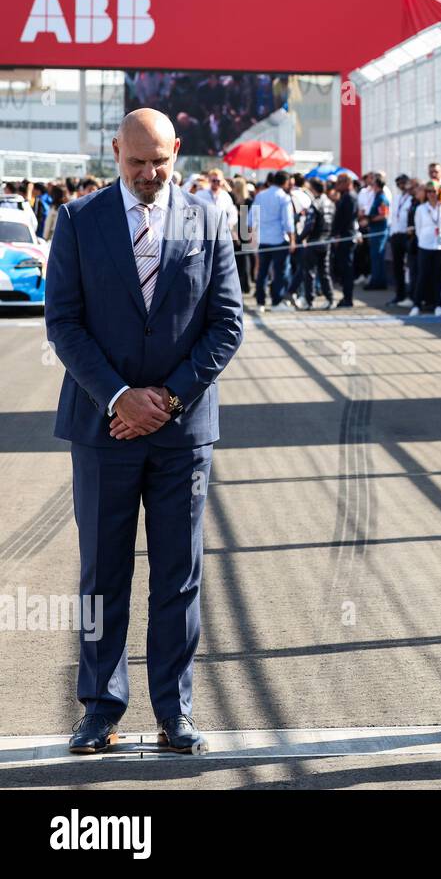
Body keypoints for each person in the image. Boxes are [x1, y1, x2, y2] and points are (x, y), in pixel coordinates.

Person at [44, 107, 243, 756]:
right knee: (102, 574)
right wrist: (122, 398)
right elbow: (64, 323)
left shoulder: (209, 218)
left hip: (182, 434)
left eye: (160, 161)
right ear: (115, 153)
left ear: (177, 150)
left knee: (178, 575)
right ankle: (100, 708)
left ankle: (174, 710)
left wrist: (170, 398)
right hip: (104, 428)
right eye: (136, 163)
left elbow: (227, 322)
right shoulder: (77, 220)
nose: (150, 174)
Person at [250, 169, 297, 312]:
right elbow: (288, 221)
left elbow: (251, 218)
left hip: (263, 239)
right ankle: (276, 302)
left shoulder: (261, 195)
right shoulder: (284, 197)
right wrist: (293, 240)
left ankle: (260, 302)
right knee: (280, 273)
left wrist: (251, 237)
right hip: (278, 240)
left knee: (262, 272)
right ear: (285, 182)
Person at [287, 177, 335, 309]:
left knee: (310, 273)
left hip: (314, 242)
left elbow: (309, 225)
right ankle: (330, 298)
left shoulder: (315, 204)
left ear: (313, 189)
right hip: (326, 242)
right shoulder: (331, 203)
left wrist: (298, 239)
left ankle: (309, 300)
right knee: (324, 272)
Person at [412, 182, 441, 317]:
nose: (431, 194)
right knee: (422, 275)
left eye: (434, 191)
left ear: (439, 192)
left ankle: (438, 305)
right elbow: (418, 227)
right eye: (429, 191)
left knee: (440, 276)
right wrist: (423, 238)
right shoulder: (421, 209)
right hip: (425, 245)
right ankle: (416, 304)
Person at [331, 172, 358, 308]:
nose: (337, 185)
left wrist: (338, 235)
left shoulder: (350, 198)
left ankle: (348, 298)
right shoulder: (344, 197)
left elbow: (346, 219)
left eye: (340, 182)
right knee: (343, 268)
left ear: (347, 183)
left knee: (347, 269)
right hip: (343, 237)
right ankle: (346, 296)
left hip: (346, 237)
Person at [387, 174, 414, 308]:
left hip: (406, 235)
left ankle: (410, 295)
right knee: (397, 266)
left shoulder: (411, 198)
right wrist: (391, 233)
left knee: (409, 266)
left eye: (403, 182)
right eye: (399, 183)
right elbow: (392, 215)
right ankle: (399, 294)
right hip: (396, 235)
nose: (401, 185)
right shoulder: (397, 198)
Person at [363, 173, 391, 290]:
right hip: (375, 230)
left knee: (377, 257)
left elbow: (384, 215)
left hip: (379, 231)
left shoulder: (382, 198)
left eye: (373, 183)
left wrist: (370, 219)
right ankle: (377, 280)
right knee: (375, 257)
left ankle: (378, 282)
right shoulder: (377, 196)